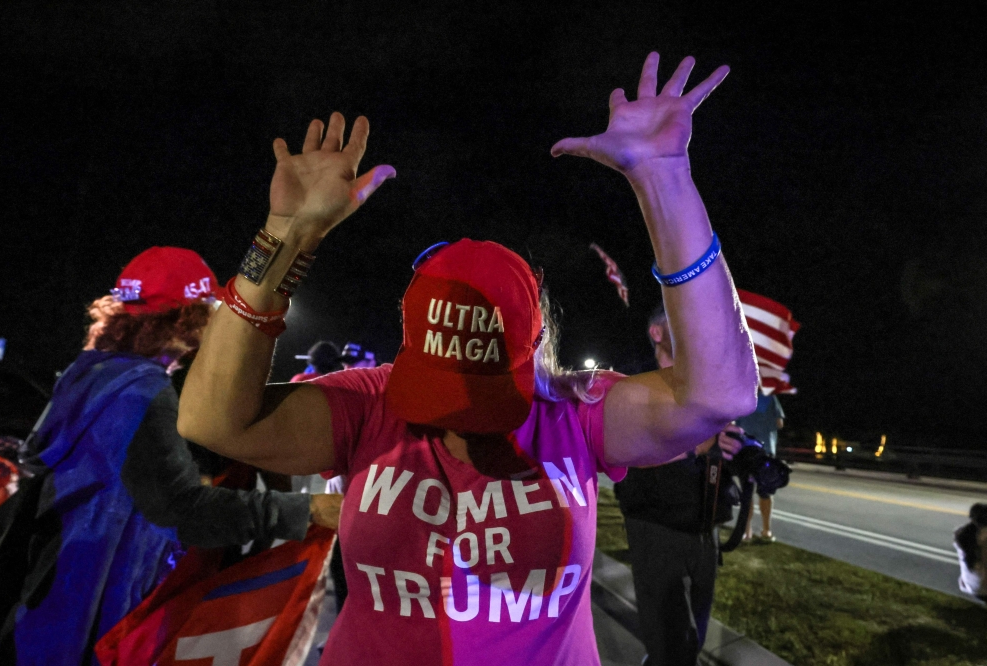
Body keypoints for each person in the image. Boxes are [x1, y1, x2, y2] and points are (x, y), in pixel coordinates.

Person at [178, 53, 759, 665]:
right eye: (439, 384)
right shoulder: (370, 404)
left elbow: (720, 395)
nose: (457, 421)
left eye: (484, 387)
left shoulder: (574, 413)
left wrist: (665, 179)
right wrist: (285, 236)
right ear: (408, 342)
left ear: (535, 345)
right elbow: (211, 421)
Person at [0, 247, 340, 666]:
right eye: (209, 308)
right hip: (90, 608)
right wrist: (308, 509)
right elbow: (183, 510)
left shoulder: (92, 373)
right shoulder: (142, 393)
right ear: (184, 317)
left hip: (53, 590)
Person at [615, 306, 745, 666]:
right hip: (657, 528)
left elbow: (716, 449)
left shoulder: (704, 387)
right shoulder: (634, 382)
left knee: (692, 640)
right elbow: (627, 449)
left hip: (704, 529)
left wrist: (734, 449)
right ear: (657, 332)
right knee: (669, 644)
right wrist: (697, 444)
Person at [735, 389, 784, 542]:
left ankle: (746, 532)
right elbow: (779, 423)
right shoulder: (771, 398)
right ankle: (766, 531)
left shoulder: (742, 399)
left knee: (747, 492)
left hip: (746, 450)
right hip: (766, 451)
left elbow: (736, 425)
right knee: (765, 492)